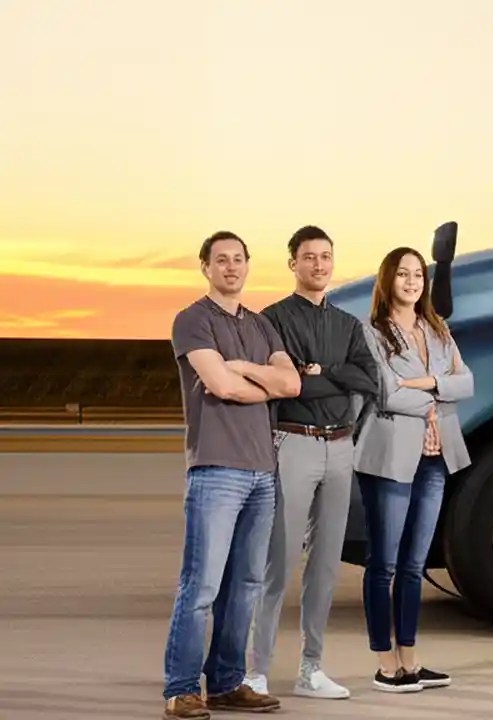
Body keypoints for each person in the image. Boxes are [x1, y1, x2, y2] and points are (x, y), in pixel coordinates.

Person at [162, 231, 301, 720]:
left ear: (248, 265)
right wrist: (258, 380)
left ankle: (225, 683)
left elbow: (293, 381)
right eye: (220, 260)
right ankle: (181, 690)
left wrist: (242, 369)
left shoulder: (262, 326)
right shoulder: (192, 320)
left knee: (244, 585)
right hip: (216, 470)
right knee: (200, 587)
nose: (231, 267)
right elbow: (220, 385)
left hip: (263, 471)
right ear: (205, 267)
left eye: (238, 259)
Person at [246, 225, 379, 700]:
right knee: (276, 562)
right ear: (292, 264)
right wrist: (320, 382)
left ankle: (311, 669)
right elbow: (285, 387)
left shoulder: (348, 324)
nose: (319, 265)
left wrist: (322, 375)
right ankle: (255, 671)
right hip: (293, 445)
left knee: (325, 565)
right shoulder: (271, 321)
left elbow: (369, 380)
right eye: (309, 257)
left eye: (325, 257)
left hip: (339, 449)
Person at [353, 246, 474, 693]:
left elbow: (468, 382)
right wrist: (440, 393)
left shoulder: (438, 330)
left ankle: (410, 659)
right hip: (388, 459)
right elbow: (385, 394)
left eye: (418, 274)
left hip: (434, 459)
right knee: (382, 563)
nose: (411, 281)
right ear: (388, 281)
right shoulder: (372, 333)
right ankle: (385, 662)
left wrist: (424, 383)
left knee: (413, 565)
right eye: (402, 274)